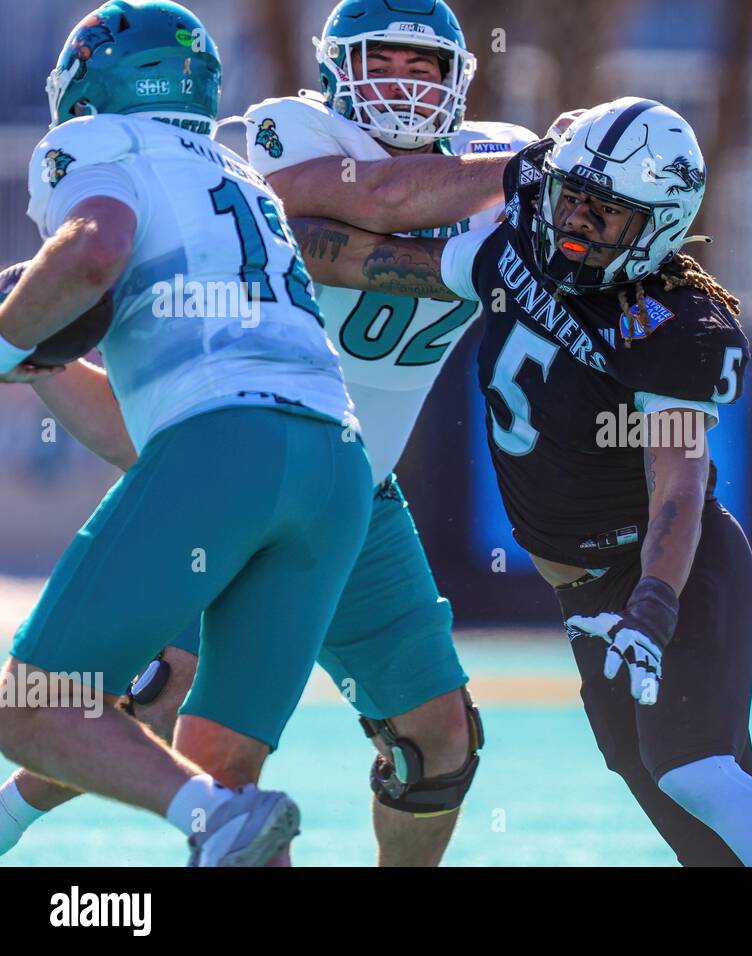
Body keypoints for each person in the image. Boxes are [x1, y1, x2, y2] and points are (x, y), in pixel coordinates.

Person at [289, 97, 752, 866]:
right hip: (587, 595)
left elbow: (679, 484)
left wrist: (654, 602)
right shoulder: (516, 250)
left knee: (698, 773)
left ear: (660, 224)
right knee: (706, 840)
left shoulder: (676, 324)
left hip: (671, 573)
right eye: (570, 197)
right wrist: (249, 233)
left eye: (602, 213)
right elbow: (362, 259)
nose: (574, 223)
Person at [0, 0, 538, 866]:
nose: (402, 84)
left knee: (429, 743)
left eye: (423, 66)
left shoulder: (130, 157)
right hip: (312, 460)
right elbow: (381, 199)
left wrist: (16, 341)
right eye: (382, 61)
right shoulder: (275, 152)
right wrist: (538, 184)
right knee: (171, 719)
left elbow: (98, 250)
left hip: (312, 471)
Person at [0, 0, 373, 866]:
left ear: (92, 84)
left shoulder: (96, 145)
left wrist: (7, 336)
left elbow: (96, 249)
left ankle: (207, 814)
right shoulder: (240, 179)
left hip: (228, 447)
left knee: (29, 705)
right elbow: (157, 441)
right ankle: (218, 813)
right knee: (231, 776)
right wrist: (39, 364)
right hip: (332, 467)